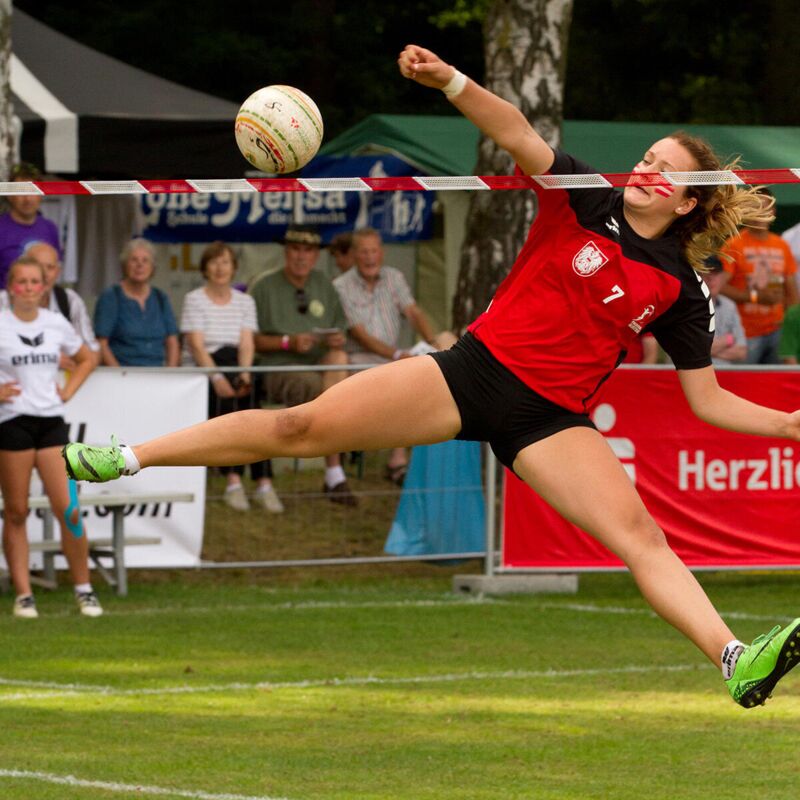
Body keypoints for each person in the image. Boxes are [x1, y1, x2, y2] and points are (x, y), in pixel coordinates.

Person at [63, 44, 800, 708]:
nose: (645, 169)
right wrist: (451, 80)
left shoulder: (682, 286)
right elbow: (515, 131)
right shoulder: (584, 195)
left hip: (549, 419)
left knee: (641, 536)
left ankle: (734, 658)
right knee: (300, 426)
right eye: (646, 157)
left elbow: (706, 401)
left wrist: (787, 424)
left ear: (689, 199)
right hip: (469, 372)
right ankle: (129, 455)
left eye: (664, 170)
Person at [0, 256, 101, 618]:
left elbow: (88, 357)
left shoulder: (56, 322)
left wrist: (69, 390)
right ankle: (24, 595)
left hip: (51, 424)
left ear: (44, 287)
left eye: (34, 282)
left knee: (69, 508)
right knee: (16, 511)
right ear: (11, 286)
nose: (27, 288)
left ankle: (84, 589)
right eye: (21, 282)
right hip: (11, 423)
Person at [334, 226, 456, 483]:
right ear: (355, 255)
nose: (370, 257)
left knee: (425, 372)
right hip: (359, 357)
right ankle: (396, 459)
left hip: (393, 358)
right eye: (364, 252)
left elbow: (413, 312)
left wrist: (431, 342)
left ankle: (403, 459)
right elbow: (359, 334)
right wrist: (398, 354)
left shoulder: (394, 277)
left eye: (374, 251)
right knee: (399, 382)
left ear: (382, 253)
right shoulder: (341, 286)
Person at [248, 224, 356, 505]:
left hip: (318, 361)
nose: (301, 256)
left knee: (340, 359)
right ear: (286, 251)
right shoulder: (263, 286)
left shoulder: (325, 285)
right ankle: (335, 469)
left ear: (316, 256)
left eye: (308, 250)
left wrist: (333, 339)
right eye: (296, 249)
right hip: (275, 366)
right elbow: (248, 340)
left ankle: (333, 468)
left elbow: (341, 331)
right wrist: (287, 342)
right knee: (322, 388)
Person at [181, 241, 283, 513]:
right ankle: (234, 481)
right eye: (214, 262)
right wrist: (218, 379)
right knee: (233, 412)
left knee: (255, 415)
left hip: (237, 364)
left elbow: (247, 343)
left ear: (234, 267)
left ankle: (263, 483)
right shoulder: (194, 299)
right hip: (206, 371)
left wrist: (246, 375)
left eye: (225, 262)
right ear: (205, 267)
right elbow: (197, 347)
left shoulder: (245, 301)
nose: (220, 268)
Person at [718, 189, 798, 364]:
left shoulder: (781, 244)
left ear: (774, 212)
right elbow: (718, 286)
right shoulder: (734, 244)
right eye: (756, 207)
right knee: (746, 384)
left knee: (777, 384)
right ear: (746, 211)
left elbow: (791, 291)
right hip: (745, 333)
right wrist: (755, 297)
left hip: (778, 330)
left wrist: (790, 325)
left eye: (766, 207)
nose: (761, 212)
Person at [0, 243, 101, 369]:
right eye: (38, 266)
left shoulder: (68, 300)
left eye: (50, 267)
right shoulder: (2, 301)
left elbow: (92, 352)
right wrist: (50, 359)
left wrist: (69, 386)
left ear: (58, 272)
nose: (45, 274)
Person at [93, 238, 180, 367]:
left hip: (158, 376)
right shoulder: (111, 297)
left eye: (145, 260)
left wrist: (170, 374)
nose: (140, 265)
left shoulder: (161, 298)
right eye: (134, 260)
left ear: (153, 267)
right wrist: (119, 375)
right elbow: (101, 343)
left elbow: (172, 341)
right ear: (124, 265)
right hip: (122, 375)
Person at [0, 163, 61, 289]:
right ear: (9, 195)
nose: (27, 198)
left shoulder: (50, 228)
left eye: (33, 191)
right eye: (21, 191)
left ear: (41, 194)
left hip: (42, 303)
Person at [702, 257, 748, 366]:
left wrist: (708, 352)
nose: (711, 278)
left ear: (722, 277)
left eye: (716, 273)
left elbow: (742, 352)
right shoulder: (686, 307)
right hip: (694, 376)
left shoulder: (729, 306)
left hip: (725, 374)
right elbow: (690, 351)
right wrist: (728, 339)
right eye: (706, 273)